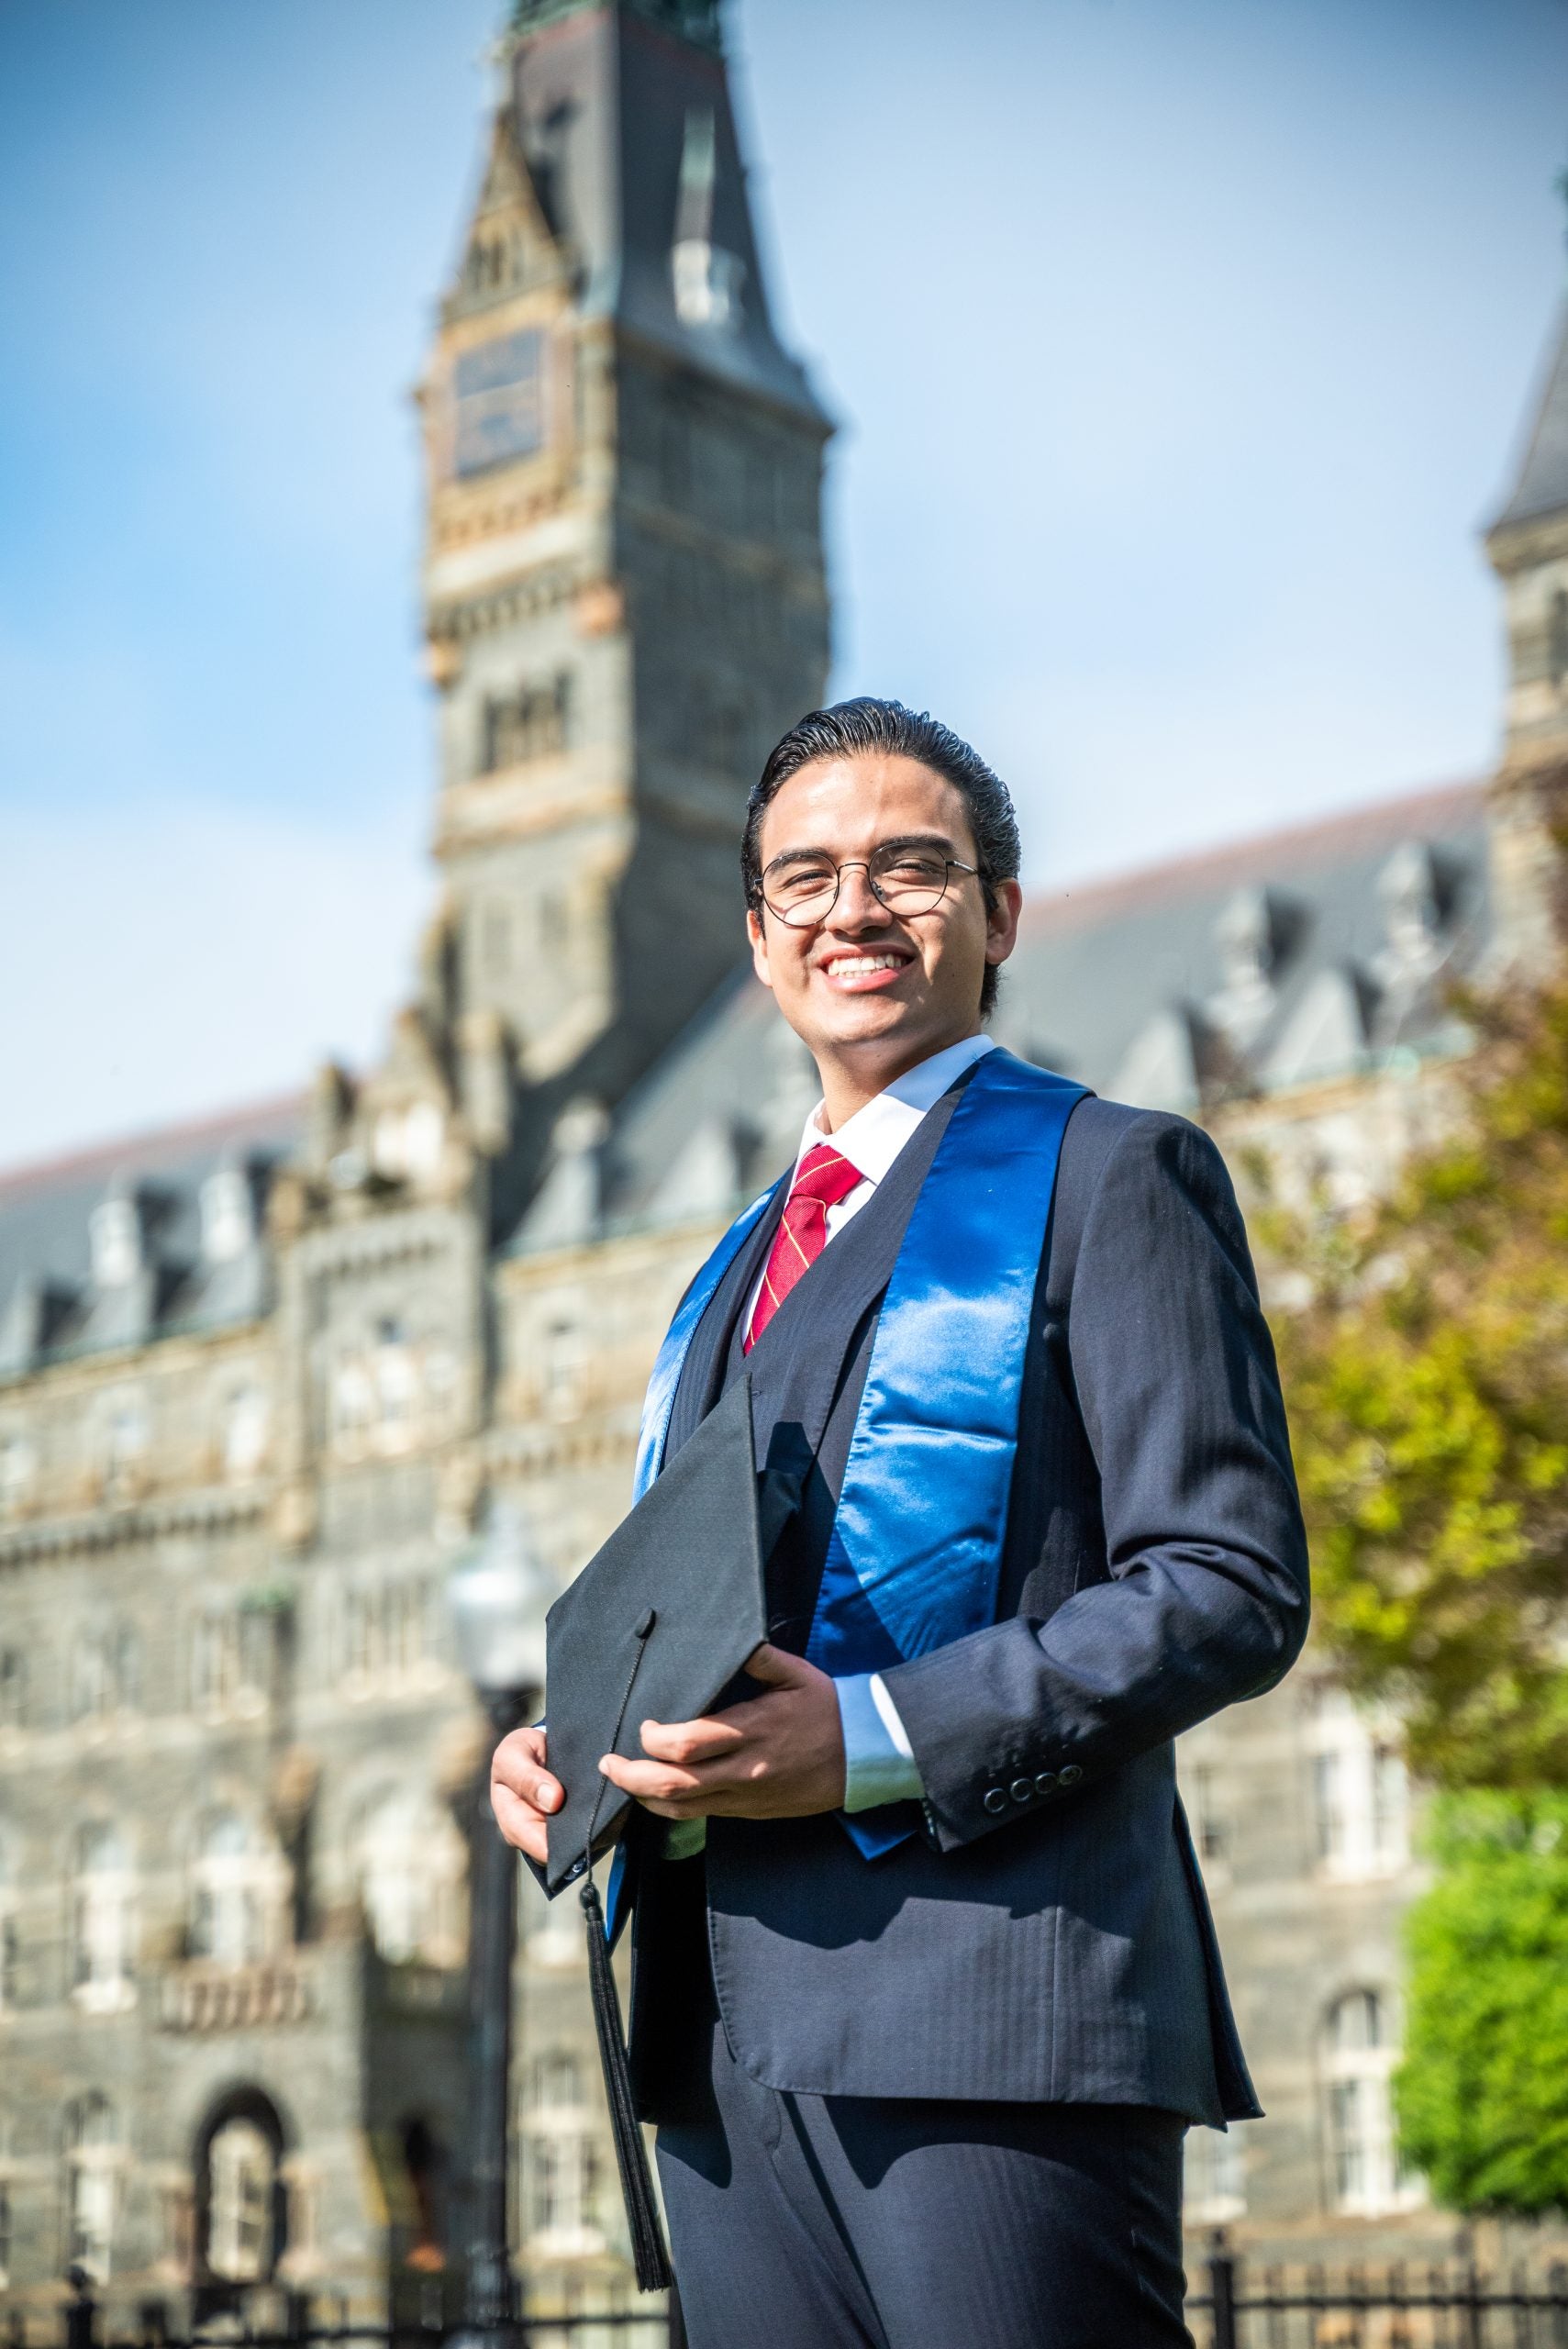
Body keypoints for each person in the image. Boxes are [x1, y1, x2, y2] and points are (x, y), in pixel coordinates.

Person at [491, 698, 1309, 2349]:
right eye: (804, 879)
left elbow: (1227, 1584)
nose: (851, 910)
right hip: (717, 2041)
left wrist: (869, 1736)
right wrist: (576, 1751)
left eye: (909, 867)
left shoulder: (1111, 1175)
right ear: (757, 939)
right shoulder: (723, 1271)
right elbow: (706, 1610)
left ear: (997, 914)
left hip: (990, 2014)